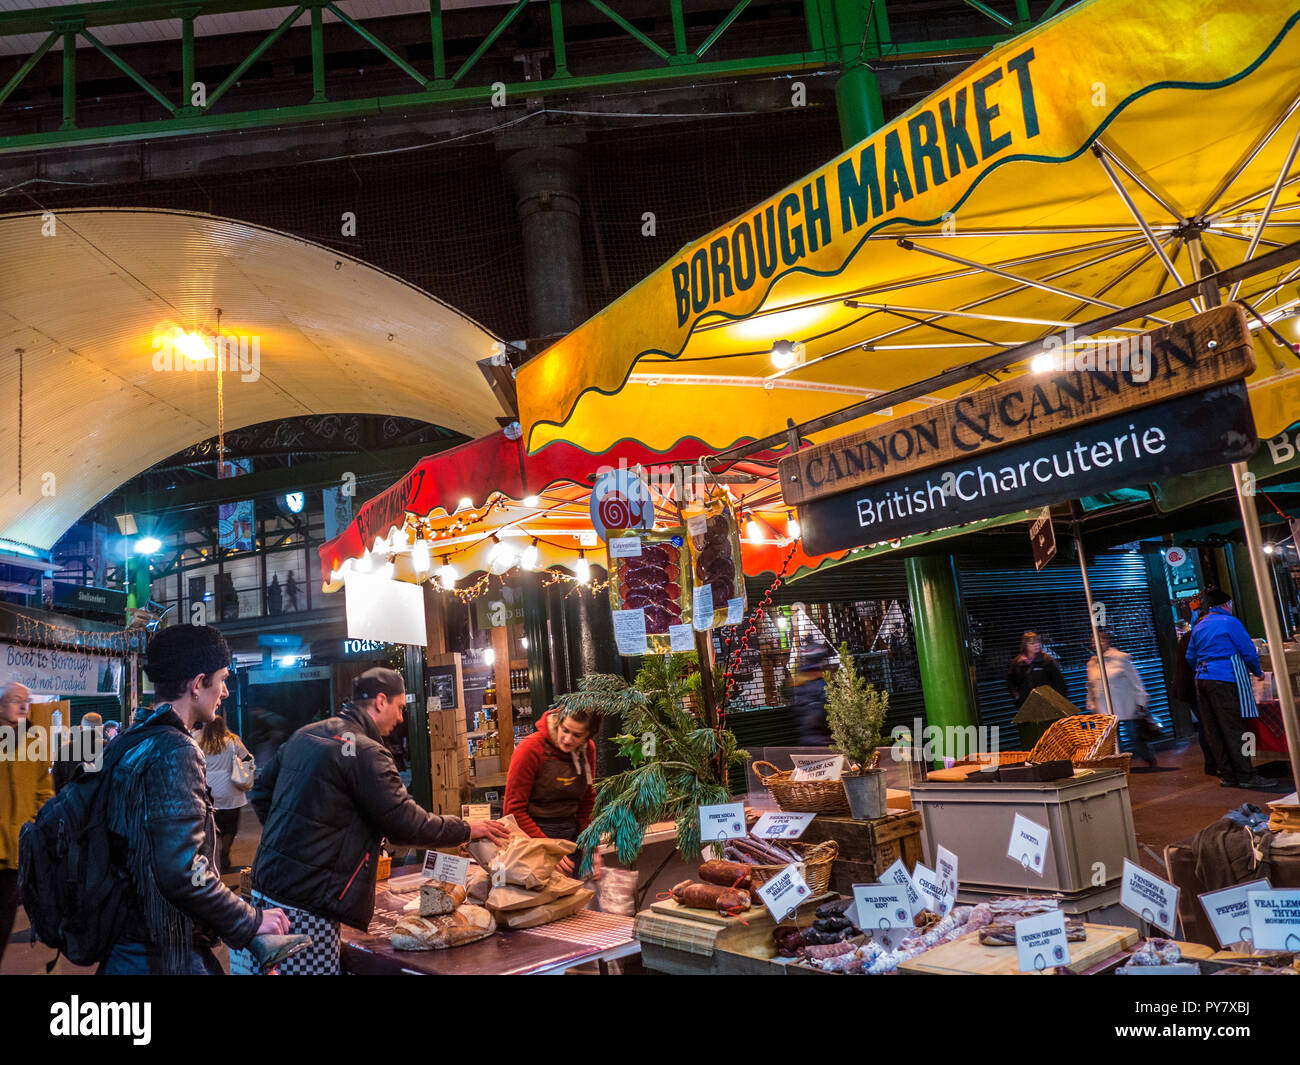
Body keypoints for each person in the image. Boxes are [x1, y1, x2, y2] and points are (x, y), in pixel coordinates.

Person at [244, 667, 510, 975]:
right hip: (308, 905)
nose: (400, 718)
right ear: (380, 701)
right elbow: (405, 823)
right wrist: (465, 829)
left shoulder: (307, 733)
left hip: (265, 893)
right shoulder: (365, 750)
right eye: (399, 707)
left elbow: (262, 792)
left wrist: (291, 845)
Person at [101, 624, 290, 974]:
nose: (226, 692)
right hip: (164, 955)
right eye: (221, 679)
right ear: (197, 683)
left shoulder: (129, 742)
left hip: (127, 950)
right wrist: (250, 921)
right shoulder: (175, 751)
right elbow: (183, 870)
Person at [1186, 589, 1280, 790]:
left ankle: (1227, 775)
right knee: (1234, 727)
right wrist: (1258, 672)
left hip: (1202, 680)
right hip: (1225, 680)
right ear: (1227, 604)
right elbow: (1248, 651)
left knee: (1214, 730)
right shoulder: (1230, 622)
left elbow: (1190, 656)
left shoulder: (1199, 625)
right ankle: (1247, 774)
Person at [504, 703, 604, 879]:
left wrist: (591, 846)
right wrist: (547, 848)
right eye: (564, 730)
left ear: (588, 736)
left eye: (577, 735)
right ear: (558, 722)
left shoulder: (587, 750)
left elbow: (587, 802)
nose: (567, 739)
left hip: (571, 836)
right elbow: (513, 811)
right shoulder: (530, 749)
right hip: (533, 836)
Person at [0, 681, 53, 965]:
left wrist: (34, 823)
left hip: (15, 854)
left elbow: (44, 791)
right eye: (15, 700)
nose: (22, 705)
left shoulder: (34, 742)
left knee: (3, 924)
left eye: (26, 700)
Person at [1085, 629, 1157, 768]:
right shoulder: (1092, 663)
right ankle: (1122, 764)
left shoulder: (1121, 658)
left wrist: (1142, 700)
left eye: (1100, 640)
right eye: (1093, 641)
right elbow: (1090, 685)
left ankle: (1148, 757)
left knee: (1133, 734)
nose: (1096, 644)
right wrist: (1091, 704)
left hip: (1124, 704)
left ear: (1107, 641)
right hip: (1104, 707)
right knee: (1114, 739)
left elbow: (1135, 680)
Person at [196, 713, 255, 874]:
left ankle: (212, 856)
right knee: (230, 826)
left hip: (207, 790)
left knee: (210, 827)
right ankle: (225, 852)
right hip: (231, 791)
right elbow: (247, 758)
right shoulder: (232, 740)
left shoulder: (197, 739)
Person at [1173, 618, 1217, 776]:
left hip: (1191, 688)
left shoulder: (1191, 637)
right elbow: (1193, 662)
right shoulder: (1192, 638)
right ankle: (1212, 764)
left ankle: (1213, 762)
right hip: (1193, 688)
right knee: (1206, 726)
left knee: (1206, 725)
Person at [1005, 632, 1068, 706]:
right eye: (1032, 643)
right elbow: (1010, 681)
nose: (1036, 645)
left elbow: (1058, 681)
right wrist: (1017, 696)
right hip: (1027, 703)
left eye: (1037, 642)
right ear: (1025, 645)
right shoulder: (1017, 662)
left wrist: (1059, 699)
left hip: (1046, 701)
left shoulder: (1046, 660)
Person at [790, 640, 832, 745]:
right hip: (820, 738)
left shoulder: (800, 678)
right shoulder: (818, 680)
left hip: (807, 735)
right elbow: (820, 709)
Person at [52, 711, 103, 792]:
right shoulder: (110, 748)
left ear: (80, 728)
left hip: (71, 801)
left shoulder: (64, 750)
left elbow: (56, 784)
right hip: (101, 803)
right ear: (101, 729)